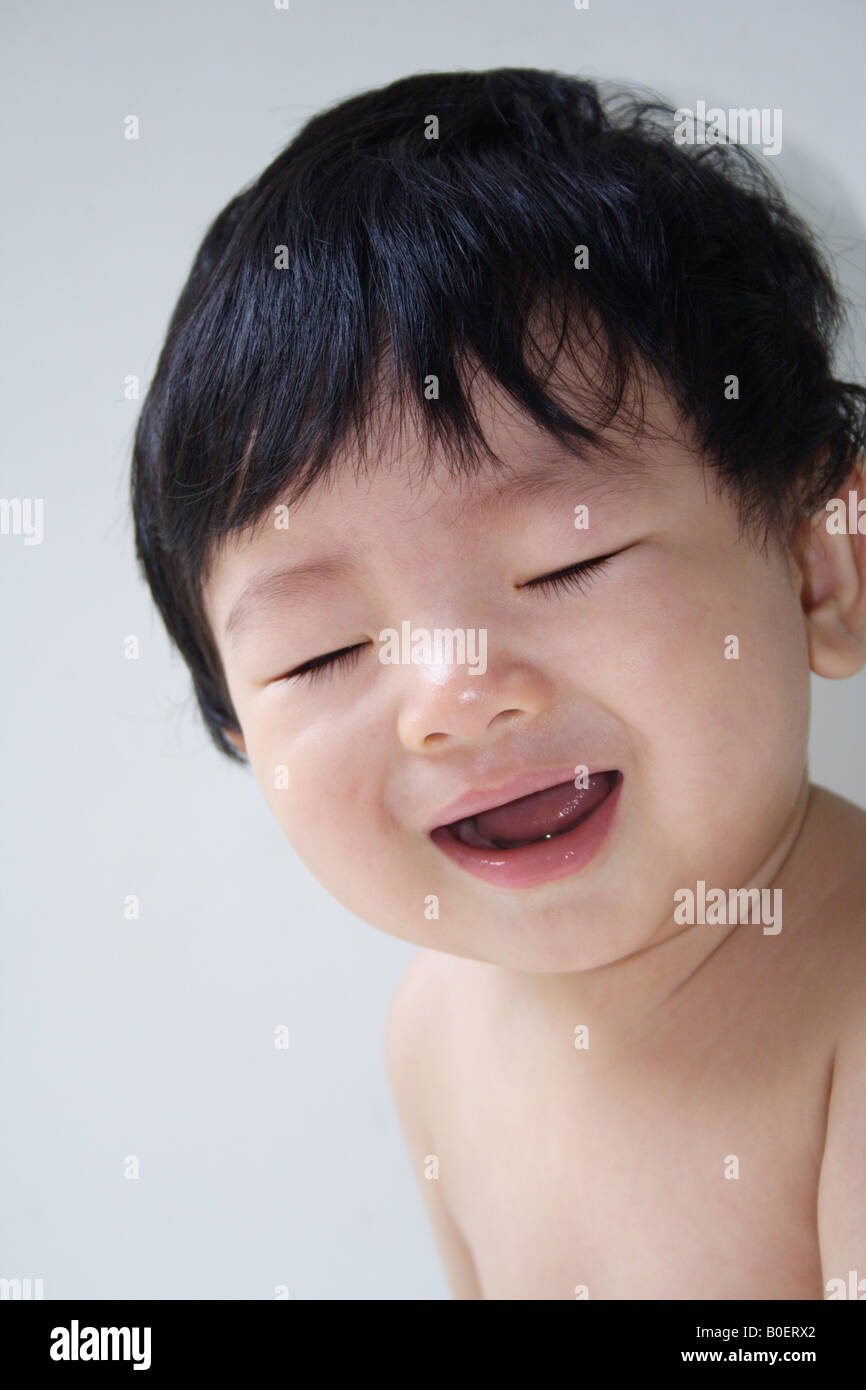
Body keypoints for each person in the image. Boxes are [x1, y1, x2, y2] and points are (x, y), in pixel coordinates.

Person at [130, 68, 866, 1299]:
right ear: (237, 728)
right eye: (318, 651)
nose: (454, 697)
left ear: (817, 565)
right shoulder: (432, 1033)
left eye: (564, 560)